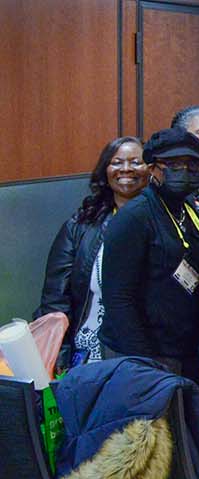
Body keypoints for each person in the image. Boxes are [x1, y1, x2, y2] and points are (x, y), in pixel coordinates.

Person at [99, 128, 199, 376]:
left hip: (186, 348)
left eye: (193, 165)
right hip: (143, 353)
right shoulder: (134, 217)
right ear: (153, 169)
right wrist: (144, 362)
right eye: (173, 164)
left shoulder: (195, 210)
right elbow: (118, 298)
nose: (184, 171)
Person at [37, 136, 145, 369]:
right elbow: (55, 300)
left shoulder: (166, 224)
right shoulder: (80, 226)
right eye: (117, 162)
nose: (126, 168)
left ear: (151, 170)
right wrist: (60, 357)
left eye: (136, 162)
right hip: (87, 354)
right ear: (105, 170)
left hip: (146, 354)